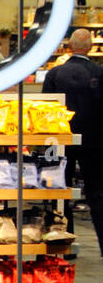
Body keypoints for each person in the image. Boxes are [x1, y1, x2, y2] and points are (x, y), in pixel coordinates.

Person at [44, 28, 103, 255]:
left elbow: (47, 110)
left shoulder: (55, 74)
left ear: (69, 46)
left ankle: (64, 243)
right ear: (89, 47)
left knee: (61, 191)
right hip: (95, 142)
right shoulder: (99, 73)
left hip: (61, 141)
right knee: (97, 193)